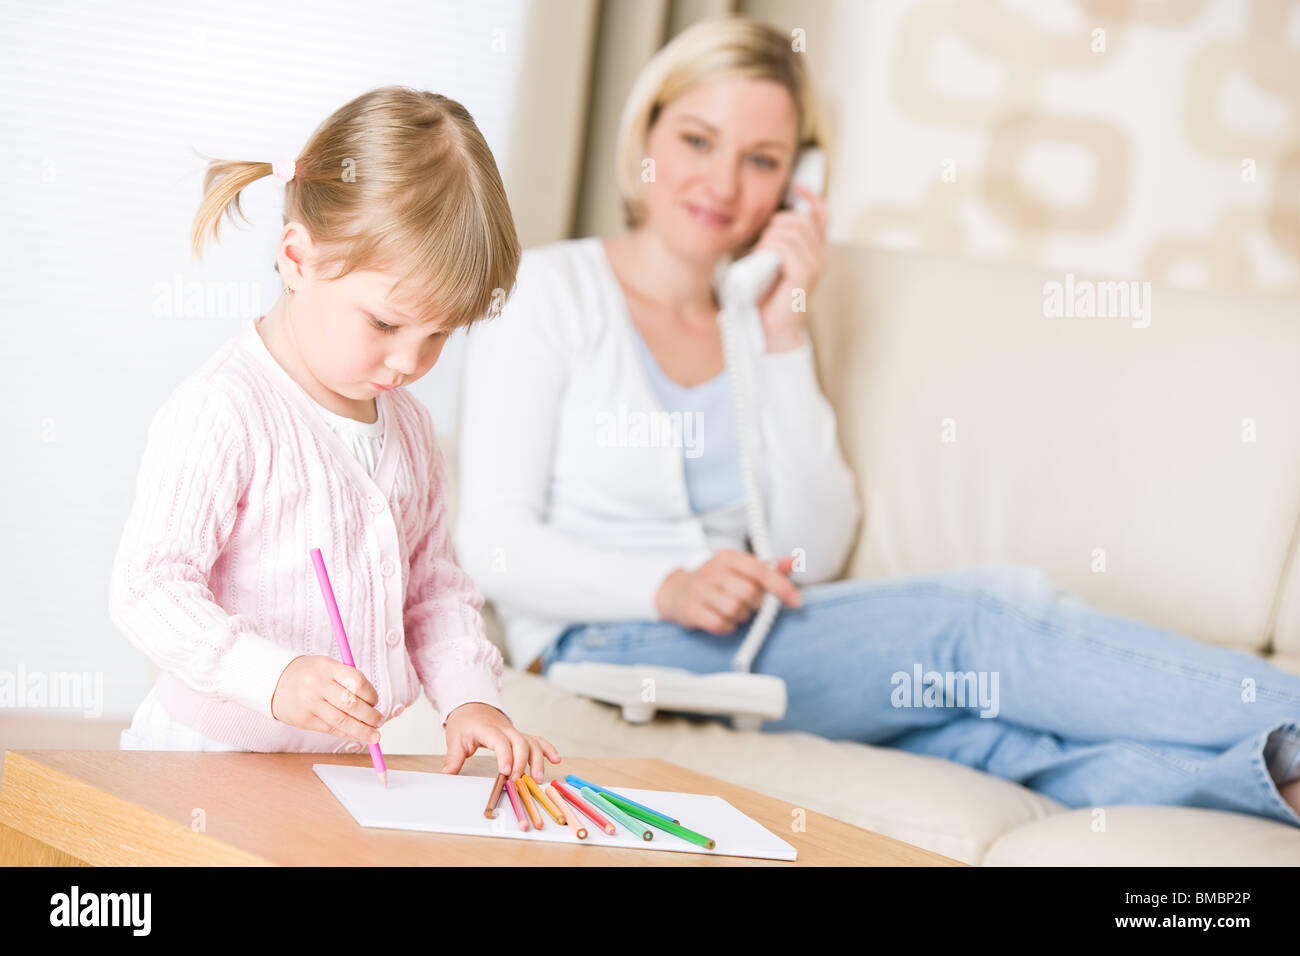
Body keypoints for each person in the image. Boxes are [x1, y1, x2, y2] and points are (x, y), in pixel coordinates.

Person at [455, 17, 1300, 825]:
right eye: (696, 140)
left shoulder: (756, 321)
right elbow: (492, 544)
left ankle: (1276, 783)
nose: (721, 183)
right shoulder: (548, 294)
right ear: (645, 134)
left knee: (993, 743)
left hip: (742, 648)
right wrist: (667, 586)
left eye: (762, 159)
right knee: (982, 620)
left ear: (799, 181)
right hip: (605, 643)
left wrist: (783, 334)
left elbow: (813, 551)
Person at [110, 86, 559, 783]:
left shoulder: (409, 429)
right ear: (298, 260)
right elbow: (149, 587)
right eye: (384, 324)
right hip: (204, 766)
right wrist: (272, 676)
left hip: (338, 774)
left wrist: (471, 699)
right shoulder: (224, 410)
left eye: (439, 333)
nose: (410, 363)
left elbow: (433, 589)